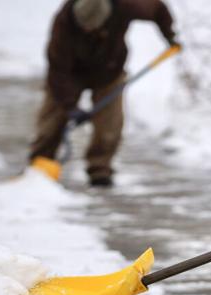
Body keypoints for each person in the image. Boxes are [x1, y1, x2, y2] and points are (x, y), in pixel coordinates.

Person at [28, 0, 177, 187]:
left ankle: (100, 169)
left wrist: (169, 35)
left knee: (110, 125)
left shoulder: (126, 5)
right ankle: (40, 163)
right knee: (51, 119)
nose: (89, 31)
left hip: (109, 70)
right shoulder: (63, 23)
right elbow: (58, 72)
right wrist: (70, 107)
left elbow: (157, 8)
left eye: (93, 27)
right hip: (71, 73)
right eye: (84, 27)